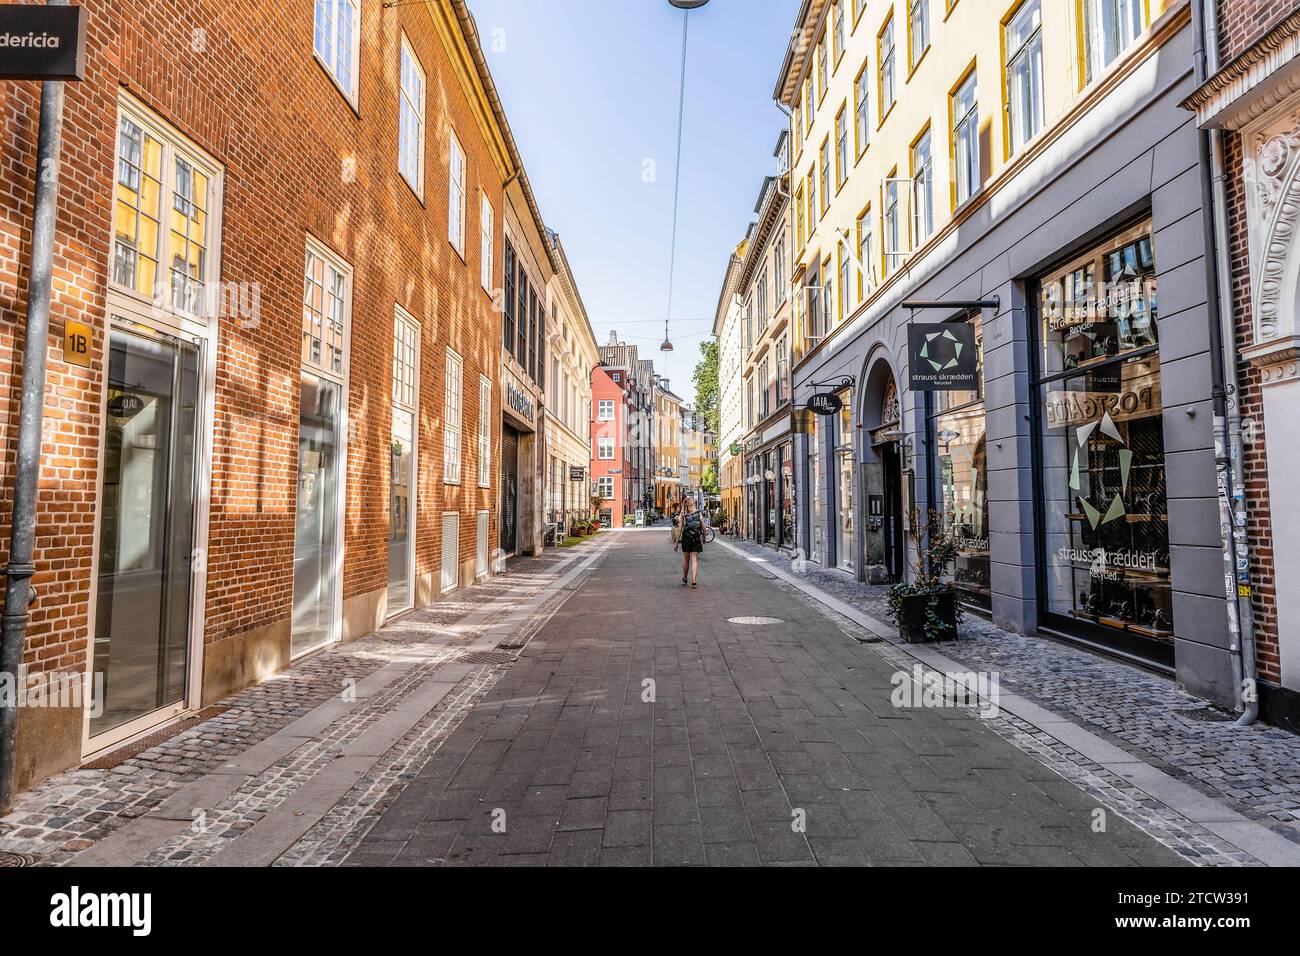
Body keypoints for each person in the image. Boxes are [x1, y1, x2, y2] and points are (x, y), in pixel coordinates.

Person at [674, 496, 707, 587]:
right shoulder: (698, 514)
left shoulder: (683, 515)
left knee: (686, 559)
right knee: (694, 560)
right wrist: (704, 538)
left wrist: (676, 543)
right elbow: (704, 527)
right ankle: (694, 581)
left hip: (686, 538)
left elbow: (680, 529)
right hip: (696, 538)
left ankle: (685, 578)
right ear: (693, 504)